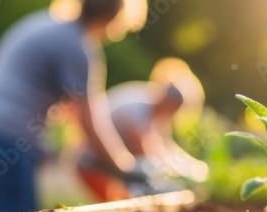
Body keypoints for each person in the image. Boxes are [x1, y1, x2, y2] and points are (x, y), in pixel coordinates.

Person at [0, 0, 145, 212]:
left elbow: (69, 110)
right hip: (4, 135)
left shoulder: (49, 24)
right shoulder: (76, 45)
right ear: (113, 16)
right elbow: (90, 121)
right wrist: (124, 167)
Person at [77, 58, 207, 201]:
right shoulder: (136, 109)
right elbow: (147, 152)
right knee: (119, 205)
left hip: (112, 166)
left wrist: (194, 167)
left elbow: (166, 146)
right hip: (92, 163)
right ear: (170, 102)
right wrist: (182, 173)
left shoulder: (156, 113)